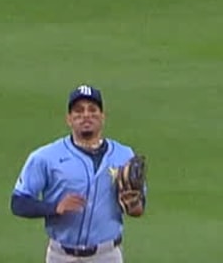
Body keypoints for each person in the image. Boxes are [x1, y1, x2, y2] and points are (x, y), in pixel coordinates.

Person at [11, 85, 145, 262]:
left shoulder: (124, 155)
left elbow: (139, 207)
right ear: (69, 119)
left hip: (106, 255)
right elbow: (18, 203)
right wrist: (54, 208)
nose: (86, 115)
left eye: (92, 110)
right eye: (78, 111)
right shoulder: (45, 157)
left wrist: (134, 206)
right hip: (62, 256)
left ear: (102, 117)